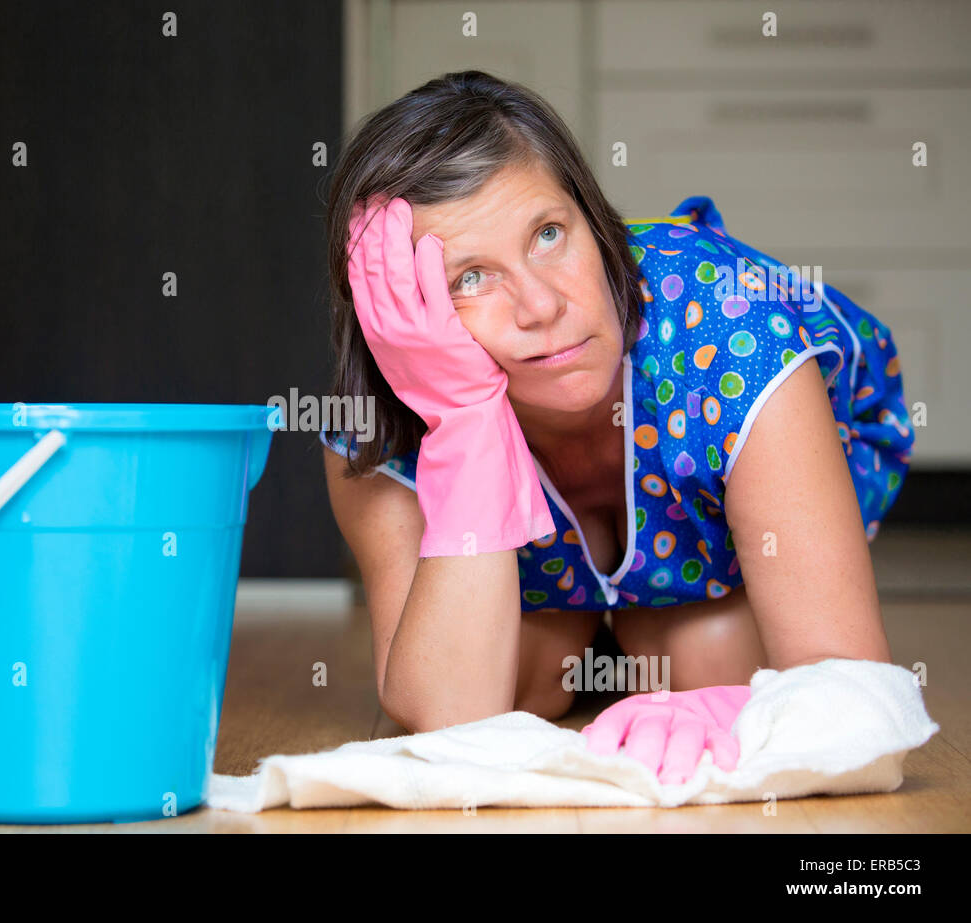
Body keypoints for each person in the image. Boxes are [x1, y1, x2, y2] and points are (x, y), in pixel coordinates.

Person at [318, 71, 914, 784]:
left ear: (594, 220)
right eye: (468, 278)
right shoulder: (377, 427)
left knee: (708, 661)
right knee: (515, 684)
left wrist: (720, 707)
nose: (540, 304)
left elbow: (859, 702)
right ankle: (598, 638)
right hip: (529, 588)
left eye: (547, 233)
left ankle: (640, 638)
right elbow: (453, 720)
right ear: (404, 316)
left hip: (711, 562)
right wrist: (465, 424)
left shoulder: (735, 334)